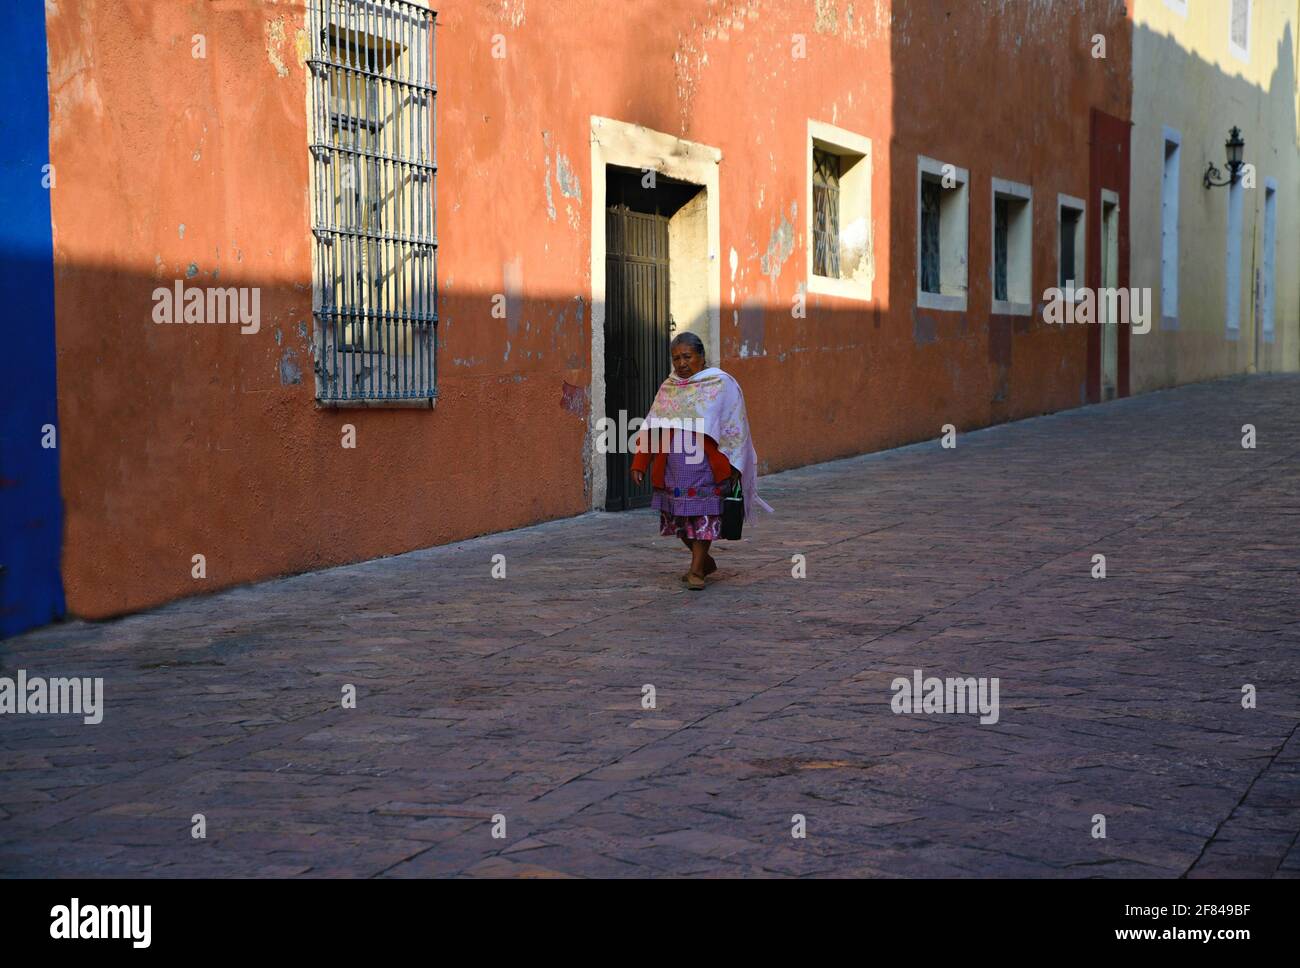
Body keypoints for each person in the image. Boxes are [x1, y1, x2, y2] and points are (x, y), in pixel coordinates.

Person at [630, 332, 772, 590]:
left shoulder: (721, 383)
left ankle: (696, 571)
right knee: (680, 520)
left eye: (687, 356)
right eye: (676, 359)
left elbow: (734, 424)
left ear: (702, 357)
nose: (682, 363)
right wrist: (640, 462)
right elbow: (653, 425)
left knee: (703, 518)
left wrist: (734, 464)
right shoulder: (669, 387)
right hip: (672, 466)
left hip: (706, 466)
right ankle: (704, 561)